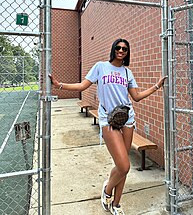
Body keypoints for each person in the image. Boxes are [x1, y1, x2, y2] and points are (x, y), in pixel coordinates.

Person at [49, 38, 167, 215]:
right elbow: (83, 85)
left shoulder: (127, 73)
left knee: (122, 166)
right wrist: (60, 85)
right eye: (118, 48)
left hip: (127, 120)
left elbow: (136, 97)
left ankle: (116, 205)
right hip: (108, 119)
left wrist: (157, 86)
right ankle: (107, 190)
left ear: (127, 53)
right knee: (124, 166)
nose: (121, 51)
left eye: (125, 49)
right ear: (113, 49)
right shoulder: (100, 67)